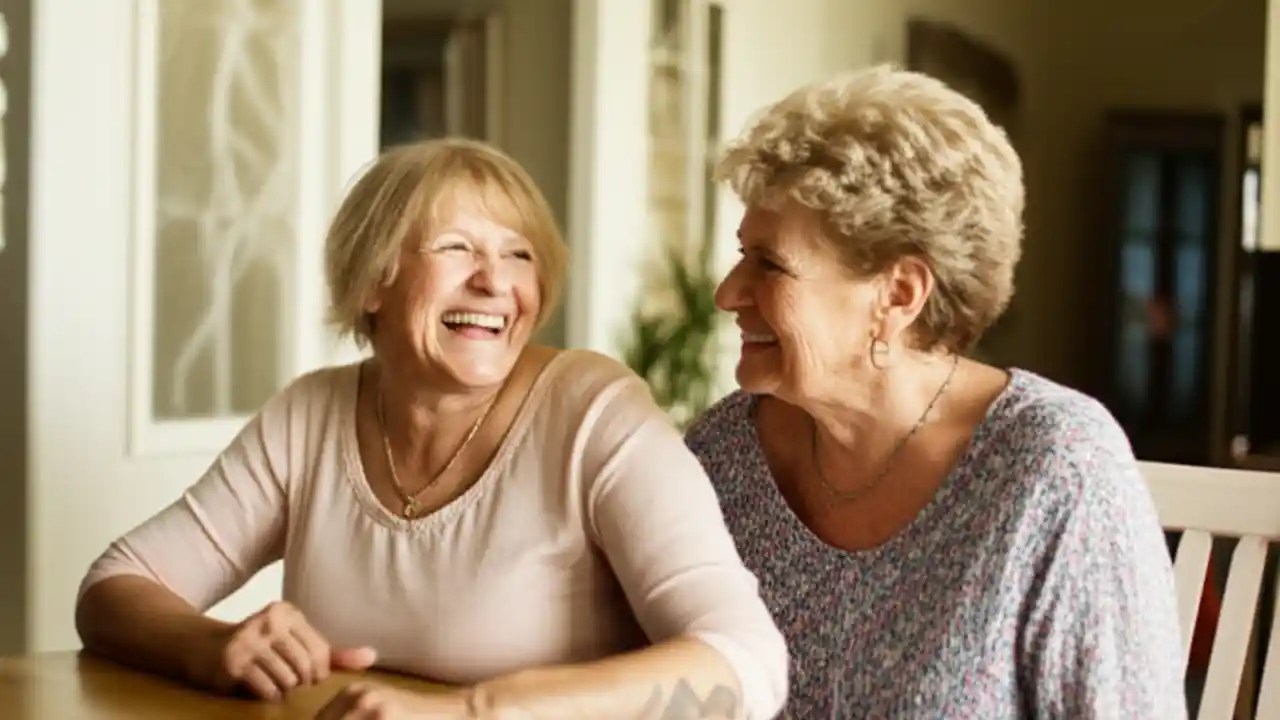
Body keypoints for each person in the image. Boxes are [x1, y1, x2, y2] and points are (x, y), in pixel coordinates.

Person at [76, 138, 787, 719]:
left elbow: (746, 662)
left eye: (519, 255)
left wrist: (476, 713)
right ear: (374, 279)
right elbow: (115, 585)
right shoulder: (309, 415)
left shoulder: (594, 413)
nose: (493, 282)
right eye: (455, 248)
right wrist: (213, 645)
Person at [685, 65, 1186, 718]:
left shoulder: (1055, 468)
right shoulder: (719, 457)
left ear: (898, 295)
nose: (728, 292)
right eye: (741, 251)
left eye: (771, 263)